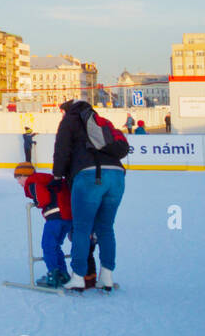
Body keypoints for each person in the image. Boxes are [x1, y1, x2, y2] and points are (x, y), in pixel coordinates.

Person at [52, 99, 126, 291]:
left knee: (82, 229)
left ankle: (78, 277)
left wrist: (58, 175)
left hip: (89, 176)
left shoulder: (70, 119)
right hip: (117, 175)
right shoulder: (99, 120)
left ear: (67, 110)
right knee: (106, 229)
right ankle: (107, 277)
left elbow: (62, 148)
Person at [13, 162, 73, 288]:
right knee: (56, 246)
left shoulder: (33, 182)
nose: (19, 182)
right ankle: (63, 273)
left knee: (48, 245)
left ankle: (53, 275)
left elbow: (43, 199)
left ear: (25, 175)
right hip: (67, 218)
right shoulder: (47, 179)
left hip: (55, 218)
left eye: (19, 178)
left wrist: (37, 203)